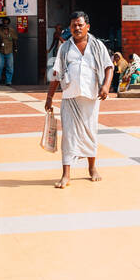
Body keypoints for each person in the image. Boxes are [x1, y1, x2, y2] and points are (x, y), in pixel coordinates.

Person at [45, 11, 114, 189]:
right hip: (69, 98)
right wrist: (49, 97)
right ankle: (66, 174)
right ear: (70, 28)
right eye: (74, 25)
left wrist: (106, 86)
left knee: (91, 132)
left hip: (91, 97)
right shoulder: (64, 48)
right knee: (68, 135)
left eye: (80, 25)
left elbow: (109, 67)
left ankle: (92, 168)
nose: (77, 28)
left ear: (87, 27)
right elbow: (56, 74)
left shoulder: (97, 46)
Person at [0, 20, 16, 85]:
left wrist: (15, 48)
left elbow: (15, 40)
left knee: (10, 67)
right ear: (2, 23)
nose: (5, 24)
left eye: (6, 23)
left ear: (8, 23)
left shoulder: (12, 30)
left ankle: (8, 81)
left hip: (9, 51)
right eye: (4, 23)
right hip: (1, 51)